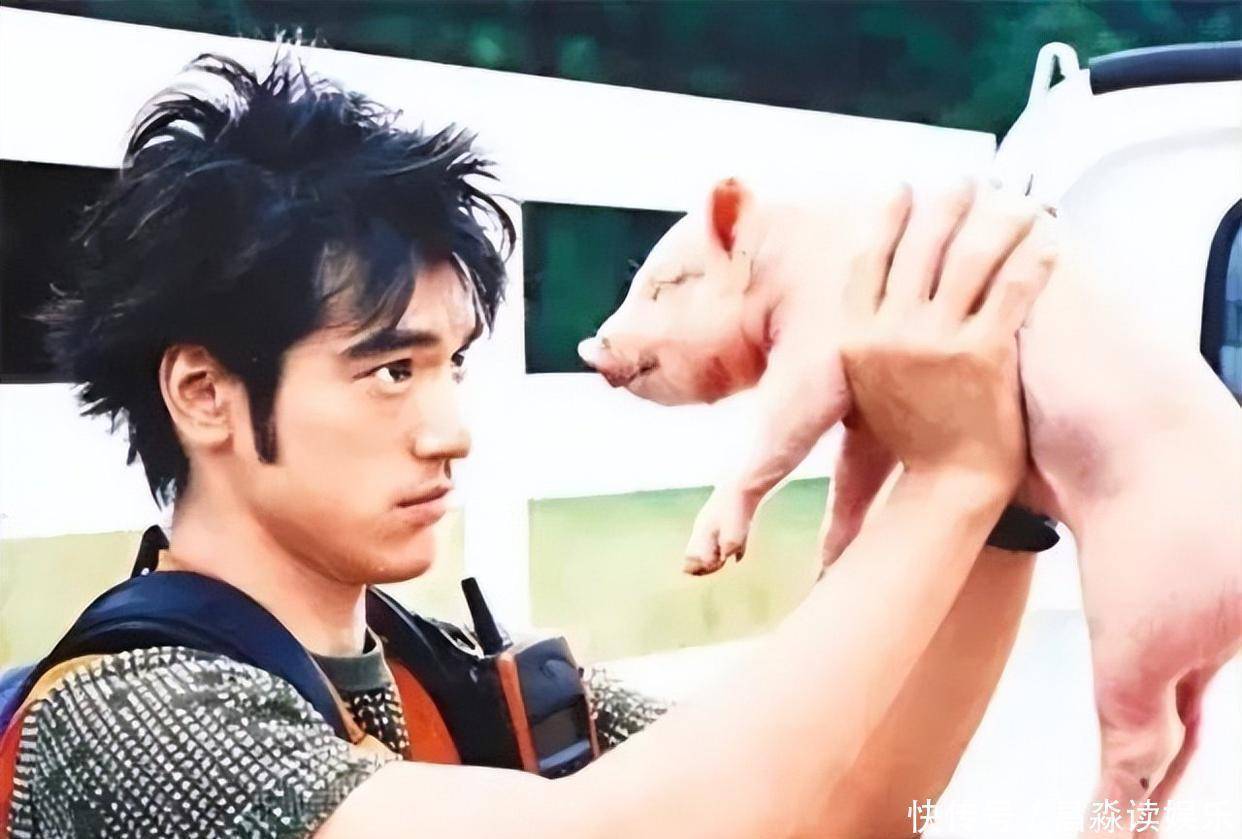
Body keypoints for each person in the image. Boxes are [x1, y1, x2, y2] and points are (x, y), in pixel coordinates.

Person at [5, 54, 1056, 838]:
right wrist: (948, 476)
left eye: (454, 364)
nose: (452, 430)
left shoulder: (450, 681)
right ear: (204, 394)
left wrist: (1000, 497)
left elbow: (840, 811)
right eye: (390, 370)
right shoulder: (129, 726)